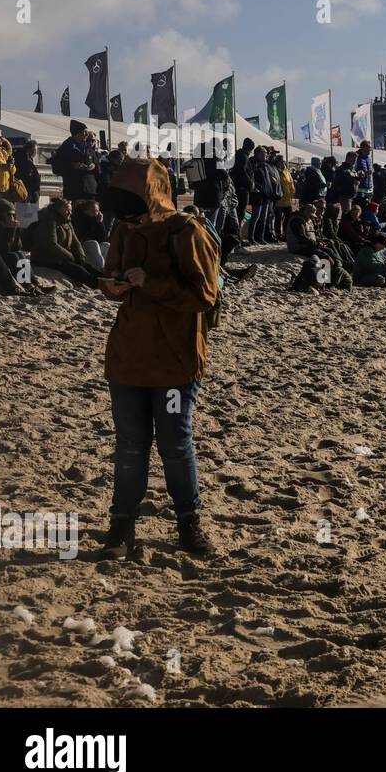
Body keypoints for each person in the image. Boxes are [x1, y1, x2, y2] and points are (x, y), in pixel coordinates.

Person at [96, 157, 220, 559]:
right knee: (130, 446)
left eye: (133, 210)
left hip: (174, 359)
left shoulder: (187, 231)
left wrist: (150, 282)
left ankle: (189, 523)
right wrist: (114, 286)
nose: (128, 221)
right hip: (128, 357)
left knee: (174, 443)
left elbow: (204, 297)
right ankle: (121, 527)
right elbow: (112, 276)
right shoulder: (124, 228)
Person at [30, 198, 102, 288]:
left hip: (61, 256)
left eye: (70, 210)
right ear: (58, 210)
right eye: (67, 210)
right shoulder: (49, 221)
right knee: (77, 270)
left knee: (87, 266)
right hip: (46, 257)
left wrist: (80, 256)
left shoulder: (66, 221)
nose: (70, 213)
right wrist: (70, 256)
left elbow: (75, 242)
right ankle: (98, 285)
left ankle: (107, 280)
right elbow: (51, 244)